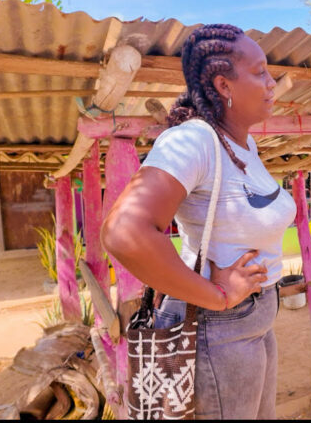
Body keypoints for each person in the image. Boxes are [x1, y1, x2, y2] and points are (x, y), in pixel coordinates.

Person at [101, 24, 296, 419]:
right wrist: (217, 295)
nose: (272, 83)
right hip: (219, 326)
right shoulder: (195, 140)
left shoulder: (244, 145)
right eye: (260, 72)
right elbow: (124, 231)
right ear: (224, 85)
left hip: (256, 318)